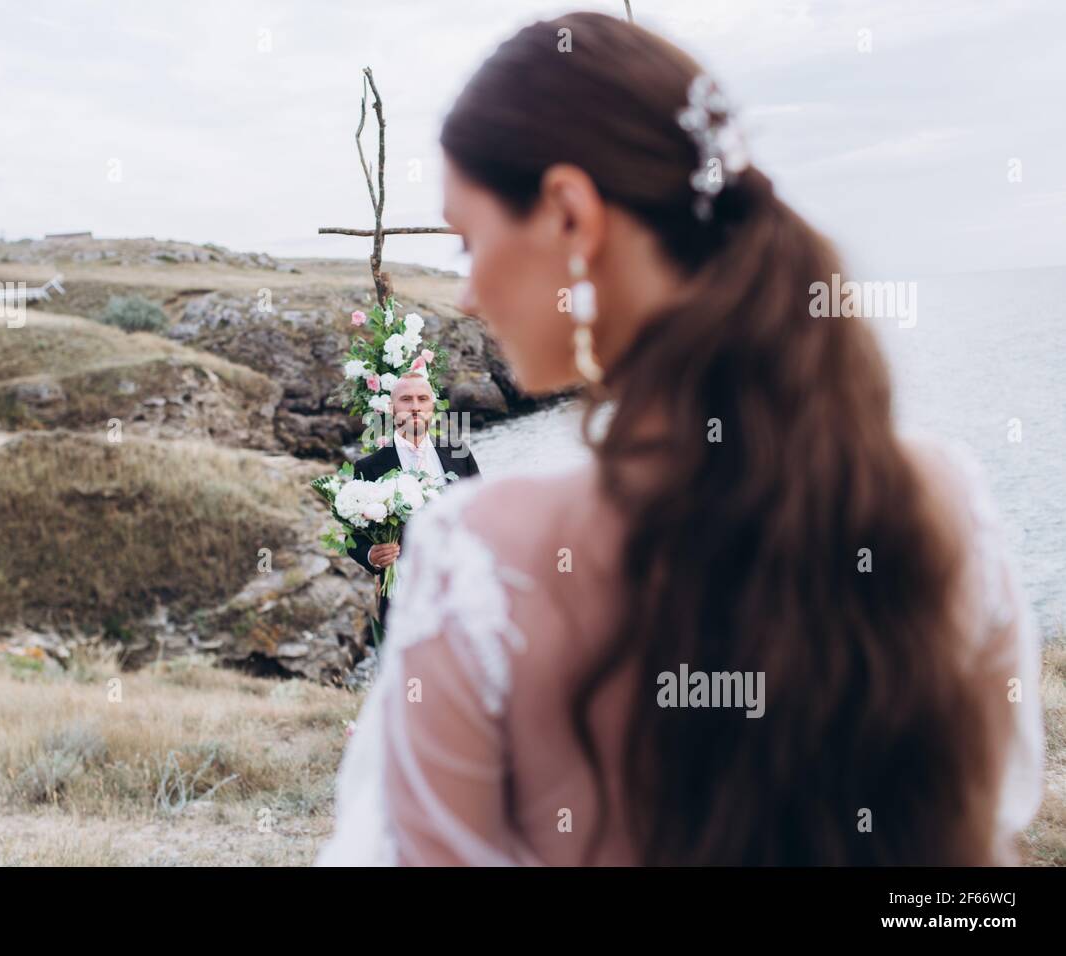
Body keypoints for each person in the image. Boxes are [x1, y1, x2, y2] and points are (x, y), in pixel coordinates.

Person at [316, 12, 1043, 865]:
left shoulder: (478, 556)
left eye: (471, 241)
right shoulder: (944, 505)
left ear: (571, 217)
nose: (469, 294)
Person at [346, 372, 481, 642]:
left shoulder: (459, 453)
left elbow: (484, 515)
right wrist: (372, 554)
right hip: (404, 603)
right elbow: (353, 538)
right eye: (406, 399)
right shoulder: (369, 467)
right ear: (392, 408)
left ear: (433, 406)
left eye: (423, 399)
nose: (415, 406)